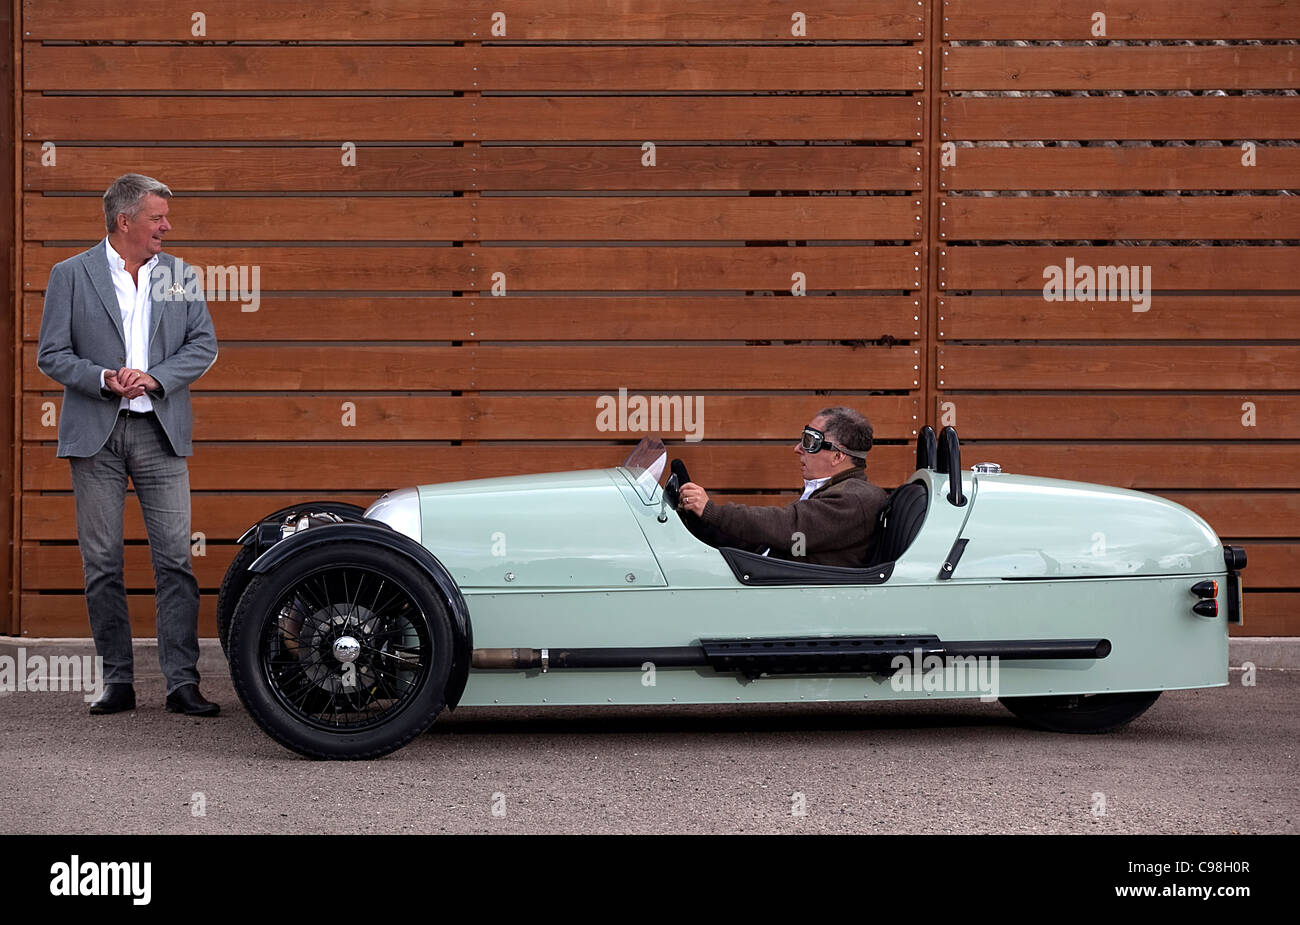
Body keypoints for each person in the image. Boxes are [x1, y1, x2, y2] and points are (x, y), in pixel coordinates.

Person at [37, 173, 220, 716]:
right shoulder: (70, 274)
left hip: (160, 432)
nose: (167, 226)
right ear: (125, 221)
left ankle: (181, 683)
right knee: (102, 563)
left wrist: (156, 378)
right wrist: (101, 378)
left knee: (175, 562)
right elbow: (51, 353)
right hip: (96, 435)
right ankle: (117, 681)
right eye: (157, 217)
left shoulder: (181, 276)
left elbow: (203, 345)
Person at [679, 407, 888, 568]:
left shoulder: (855, 500)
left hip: (800, 600)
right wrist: (707, 526)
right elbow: (778, 538)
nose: (797, 449)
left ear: (838, 456)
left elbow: (787, 527)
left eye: (810, 442)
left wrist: (711, 511)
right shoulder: (833, 489)